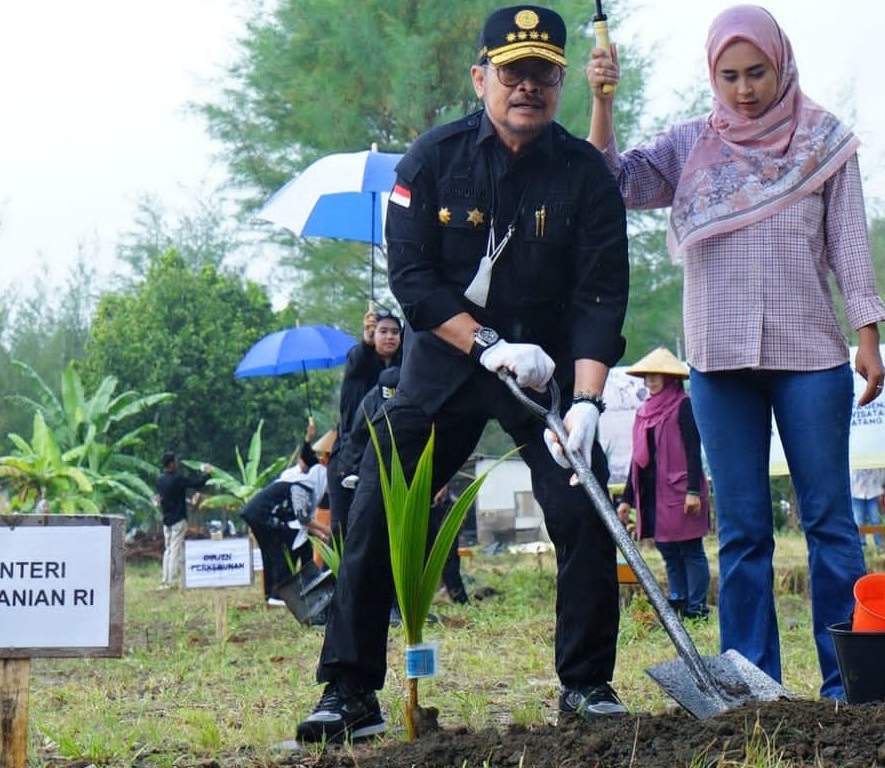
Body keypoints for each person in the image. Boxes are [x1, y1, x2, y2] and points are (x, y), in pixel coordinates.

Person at [295, 4, 629, 744]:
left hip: (542, 369)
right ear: (481, 77)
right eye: (513, 72)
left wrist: (586, 403)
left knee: (583, 506)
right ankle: (348, 691)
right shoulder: (432, 160)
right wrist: (484, 345)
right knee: (378, 505)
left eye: (543, 73)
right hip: (445, 362)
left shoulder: (586, 177)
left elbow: (601, 297)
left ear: (561, 83)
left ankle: (587, 685)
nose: (528, 87)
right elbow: (412, 282)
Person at [586, 4, 885, 700]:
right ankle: (754, 688)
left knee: (830, 525)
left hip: (810, 354)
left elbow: (850, 242)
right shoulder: (689, 145)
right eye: (730, 76)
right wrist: (604, 103)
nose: (745, 88)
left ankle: (851, 687)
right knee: (745, 532)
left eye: (758, 73)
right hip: (720, 364)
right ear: (712, 73)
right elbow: (612, 183)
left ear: (781, 65)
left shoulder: (825, 142)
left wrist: (866, 333)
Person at [615, 347, 711, 621]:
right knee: (668, 549)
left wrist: (694, 491)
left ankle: (697, 609)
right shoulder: (644, 411)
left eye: (656, 375)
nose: (650, 381)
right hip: (652, 493)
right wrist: (626, 499)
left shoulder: (684, 405)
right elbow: (638, 458)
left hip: (681, 491)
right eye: (647, 376)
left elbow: (694, 449)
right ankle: (678, 601)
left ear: (670, 378)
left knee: (691, 550)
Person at [328, 308, 403, 545]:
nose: (389, 337)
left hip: (386, 457)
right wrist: (367, 340)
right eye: (383, 331)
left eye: (394, 332)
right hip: (350, 457)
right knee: (343, 528)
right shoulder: (359, 364)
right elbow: (360, 356)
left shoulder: (404, 371)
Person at [242, 420, 330, 606]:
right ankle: (278, 595)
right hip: (263, 515)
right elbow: (303, 517)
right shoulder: (303, 484)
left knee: (278, 551)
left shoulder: (303, 480)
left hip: (262, 514)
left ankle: (276, 594)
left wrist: (320, 534)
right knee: (278, 551)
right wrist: (326, 532)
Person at [155, 452, 211, 589]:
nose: (177, 464)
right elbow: (198, 483)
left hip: (166, 520)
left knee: (168, 550)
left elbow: (162, 498)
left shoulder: (160, 480)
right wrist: (207, 473)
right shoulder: (177, 480)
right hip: (178, 519)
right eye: (175, 462)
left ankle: (165, 579)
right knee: (174, 549)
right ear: (171, 464)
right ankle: (172, 580)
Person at [850, 468, 885, 550]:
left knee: (875, 519)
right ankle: (862, 545)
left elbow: (881, 478)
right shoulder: (853, 460)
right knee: (859, 520)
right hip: (857, 494)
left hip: (873, 493)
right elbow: (850, 478)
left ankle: (879, 545)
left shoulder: (873, 462)